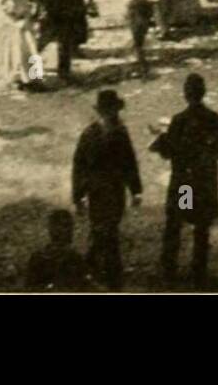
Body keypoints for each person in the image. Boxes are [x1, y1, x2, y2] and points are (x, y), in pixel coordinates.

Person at [151, 74, 218, 287]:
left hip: (185, 184)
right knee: (201, 227)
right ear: (203, 93)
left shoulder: (179, 120)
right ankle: (199, 273)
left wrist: (159, 143)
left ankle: (169, 272)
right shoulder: (215, 119)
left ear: (186, 95)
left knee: (176, 222)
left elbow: (169, 151)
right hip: (204, 183)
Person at [72, 89, 141, 290]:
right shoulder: (89, 135)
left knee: (105, 231)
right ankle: (112, 274)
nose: (114, 115)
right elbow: (79, 167)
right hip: (98, 192)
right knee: (106, 232)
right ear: (102, 111)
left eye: (115, 111)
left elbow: (130, 163)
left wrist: (136, 190)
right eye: (110, 111)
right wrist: (78, 196)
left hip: (116, 191)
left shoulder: (120, 133)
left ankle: (90, 265)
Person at [24, 209, 92, 291]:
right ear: (52, 229)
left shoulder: (75, 258)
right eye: (64, 226)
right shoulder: (38, 258)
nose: (68, 230)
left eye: (68, 226)